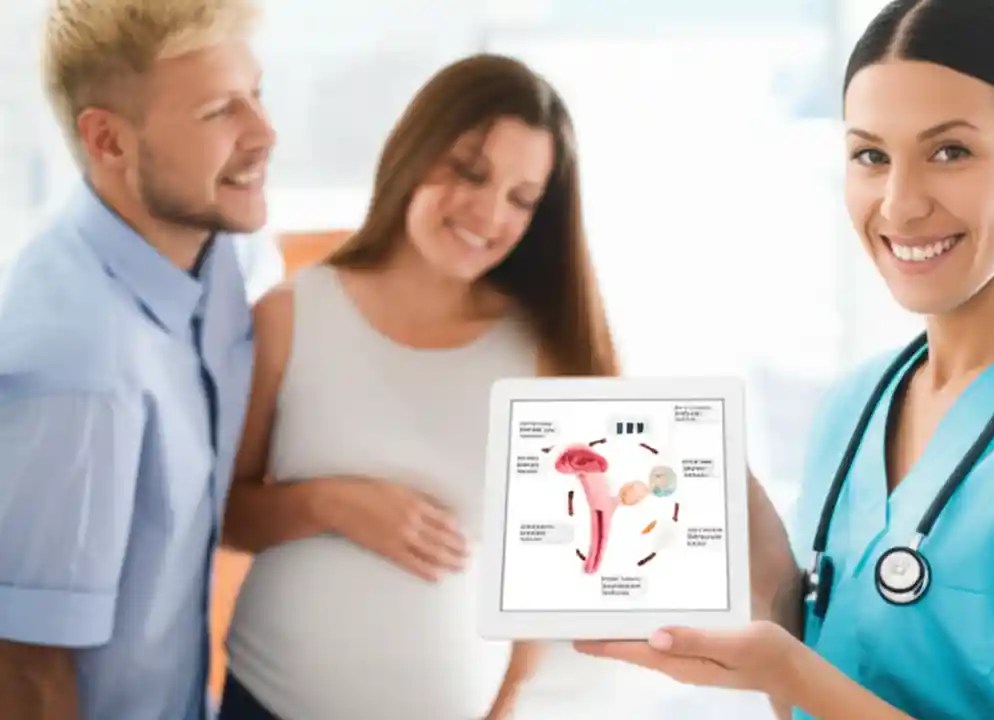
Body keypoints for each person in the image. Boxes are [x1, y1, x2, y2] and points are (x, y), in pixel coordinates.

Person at [577, 1, 994, 719]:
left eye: (950, 151)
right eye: (871, 156)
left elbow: (810, 684)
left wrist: (790, 670)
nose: (899, 206)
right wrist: (764, 579)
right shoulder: (852, 407)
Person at [217, 53, 618, 720]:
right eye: (470, 171)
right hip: (265, 703)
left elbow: (547, 585)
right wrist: (329, 503)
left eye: (521, 199)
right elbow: (225, 515)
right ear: (415, 151)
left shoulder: (542, 354)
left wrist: (506, 705)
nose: (489, 213)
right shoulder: (290, 315)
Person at [0, 0, 274, 718]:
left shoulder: (215, 251)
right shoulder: (77, 365)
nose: (264, 134)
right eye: (219, 111)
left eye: (256, 94)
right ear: (109, 141)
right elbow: (25, 670)